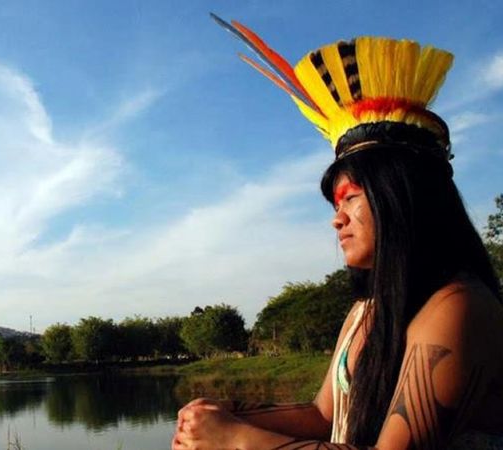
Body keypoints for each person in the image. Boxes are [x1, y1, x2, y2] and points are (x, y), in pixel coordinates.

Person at [171, 15, 503, 450]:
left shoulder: (457, 306)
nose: (336, 219)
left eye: (350, 198)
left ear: (402, 199)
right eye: (334, 204)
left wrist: (236, 440)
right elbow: (323, 416)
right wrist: (222, 416)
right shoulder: (365, 312)